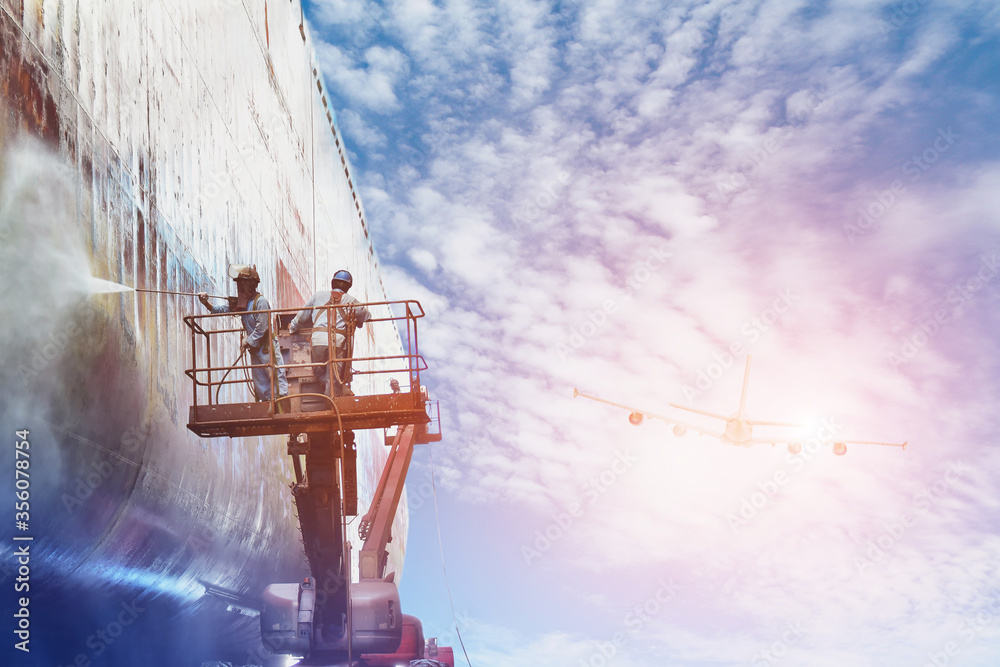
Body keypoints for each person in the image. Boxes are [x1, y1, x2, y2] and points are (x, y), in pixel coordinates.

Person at [198, 264, 288, 402]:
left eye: (241, 283)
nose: (239, 286)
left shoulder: (260, 302)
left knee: (276, 378)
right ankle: (267, 406)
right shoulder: (243, 304)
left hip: (267, 348)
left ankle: (282, 406)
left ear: (248, 284)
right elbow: (221, 310)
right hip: (255, 350)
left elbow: (262, 328)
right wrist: (206, 302)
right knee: (260, 383)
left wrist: (248, 341)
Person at [289, 269, 371, 396]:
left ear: (333, 282)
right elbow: (366, 316)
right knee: (334, 379)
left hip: (317, 342)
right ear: (348, 286)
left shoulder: (318, 296)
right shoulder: (351, 301)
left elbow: (301, 318)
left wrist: (292, 328)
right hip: (337, 344)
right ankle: (333, 398)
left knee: (318, 372)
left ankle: (330, 388)